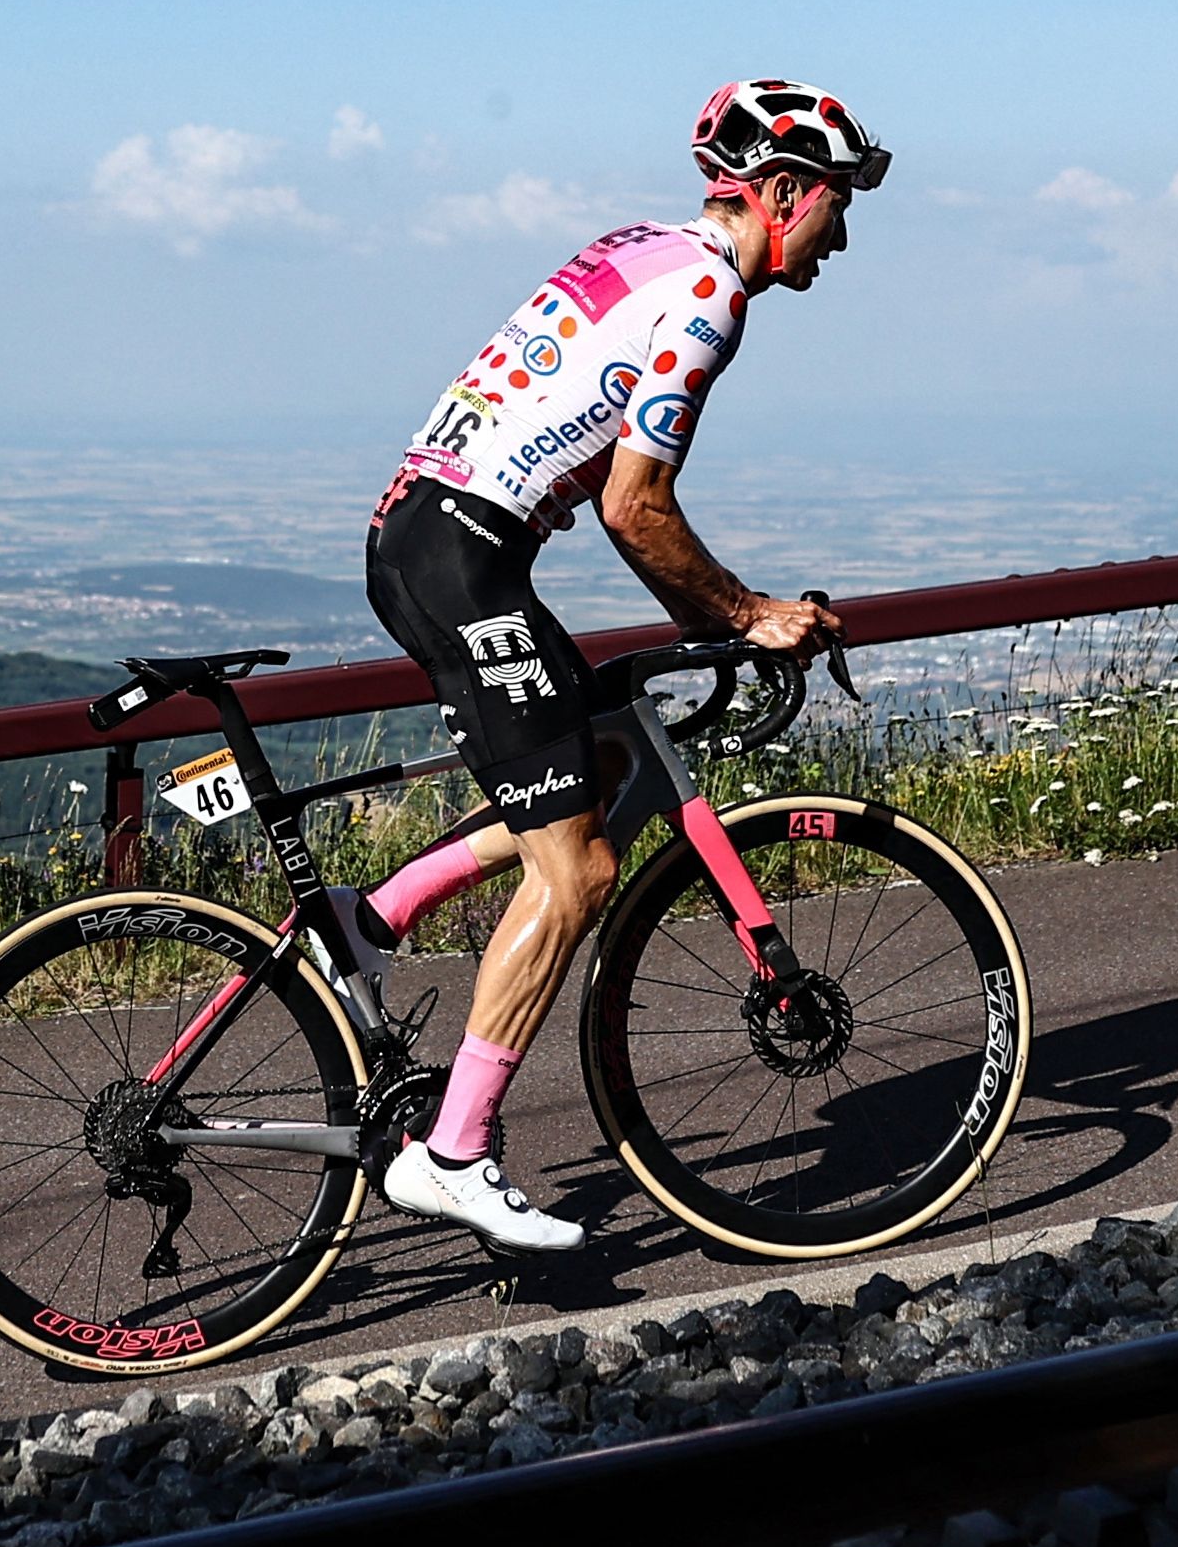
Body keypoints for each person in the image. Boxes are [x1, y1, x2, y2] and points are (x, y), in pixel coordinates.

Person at [356, 76, 888, 1250]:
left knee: (589, 764)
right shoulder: (708, 300)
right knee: (581, 874)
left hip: (436, 540)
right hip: (465, 559)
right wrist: (750, 613)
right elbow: (637, 509)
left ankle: (377, 915)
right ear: (784, 193)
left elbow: (607, 484)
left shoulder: (641, 250)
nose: (841, 236)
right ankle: (453, 1152)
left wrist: (720, 609)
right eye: (837, 206)